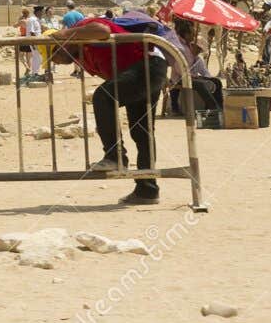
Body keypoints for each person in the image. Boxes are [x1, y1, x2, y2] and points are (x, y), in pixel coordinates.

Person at [47, 13, 182, 205]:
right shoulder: (81, 56)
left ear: (62, 43)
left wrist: (66, 32)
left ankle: (115, 156)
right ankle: (147, 190)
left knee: (103, 97)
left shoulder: (84, 28)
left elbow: (103, 30)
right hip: (141, 71)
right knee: (141, 130)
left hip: (147, 65)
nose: (56, 62)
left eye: (54, 55)